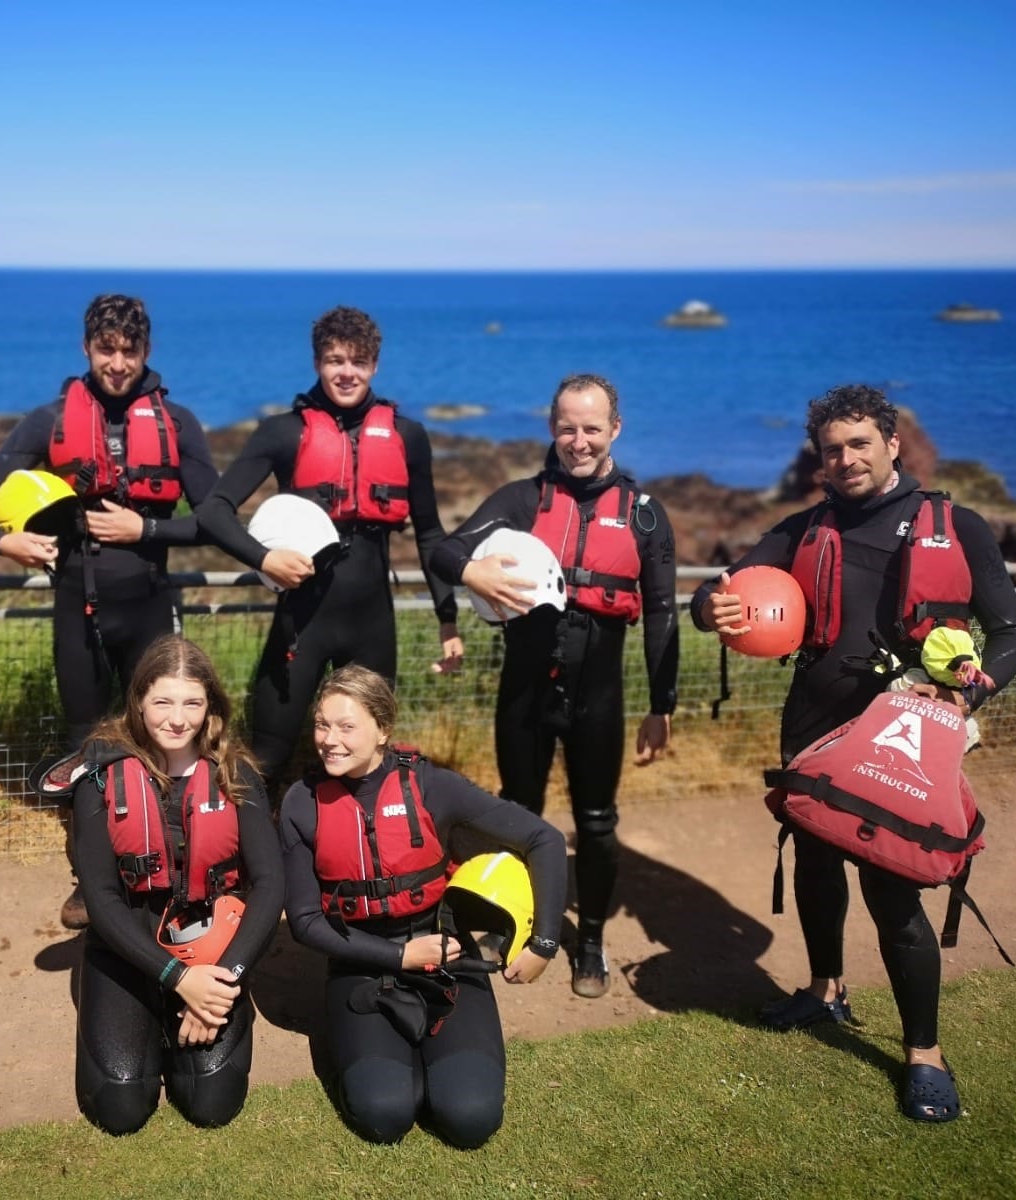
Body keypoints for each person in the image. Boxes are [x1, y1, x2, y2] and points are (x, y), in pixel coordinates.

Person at [692, 383, 1016, 1123]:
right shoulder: (803, 528)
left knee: (893, 891)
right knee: (814, 863)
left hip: (901, 731)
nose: (844, 460)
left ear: (892, 444)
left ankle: (925, 1055)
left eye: (859, 445)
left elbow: (1012, 634)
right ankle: (825, 989)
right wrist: (709, 609)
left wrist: (967, 696)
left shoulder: (956, 525)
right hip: (814, 718)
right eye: (831, 449)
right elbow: (722, 592)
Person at [0, 295, 217, 930]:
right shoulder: (49, 420)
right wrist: (4, 542)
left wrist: (145, 526)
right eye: (107, 349)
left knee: (168, 743)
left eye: (130, 351)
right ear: (87, 349)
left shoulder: (177, 422)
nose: (119, 363)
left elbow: (213, 519)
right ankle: (90, 881)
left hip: (150, 612)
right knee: (87, 750)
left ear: (146, 351)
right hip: (77, 610)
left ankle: (174, 874)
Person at [429, 373, 677, 999]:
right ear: (552, 428)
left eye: (592, 428)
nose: (579, 440)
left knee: (595, 824)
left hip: (599, 696)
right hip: (524, 692)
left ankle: (588, 940)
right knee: (516, 812)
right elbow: (442, 549)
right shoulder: (522, 500)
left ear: (614, 429)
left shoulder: (645, 516)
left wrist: (662, 705)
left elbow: (662, 613)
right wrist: (474, 571)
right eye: (567, 427)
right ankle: (511, 921)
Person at [280, 665, 566, 1147]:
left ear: (383, 730)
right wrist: (398, 958)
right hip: (360, 962)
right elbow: (306, 923)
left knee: (470, 1118)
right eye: (322, 725)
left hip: (447, 956)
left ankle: (434, 1053)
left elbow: (545, 838)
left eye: (346, 726)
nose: (329, 739)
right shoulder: (301, 803)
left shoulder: (433, 786)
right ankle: (391, 1057)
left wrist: (543, 944)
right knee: (385, 1115)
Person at [197, 306, 463, 798]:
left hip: (372, 624)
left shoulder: (407, 436)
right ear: (318, 361)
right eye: (335, 360)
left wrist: (448, 618)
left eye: (358, 362)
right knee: (267, 760)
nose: (346, 372)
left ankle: (358, 870)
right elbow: (213, 510)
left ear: (375, 365)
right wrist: (262, 558)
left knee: (369, 762)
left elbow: (430, 533)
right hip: (302, 620)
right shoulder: (283, 431)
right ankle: (251, 869)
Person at [68, 635, 282, 1133]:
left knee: (212, 1101)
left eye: (192, 702)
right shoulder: (98, 775)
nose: (177, 718)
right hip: (126, 946)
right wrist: (179, 980)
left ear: (210, 707)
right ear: (139, 700)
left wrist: (221, 985)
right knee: (120, 1106)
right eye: (162, 700)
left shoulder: (236, 773)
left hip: (211, 947)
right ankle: (150, 1017)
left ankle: (181, 1020)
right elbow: (99, 897)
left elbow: (271, 885)